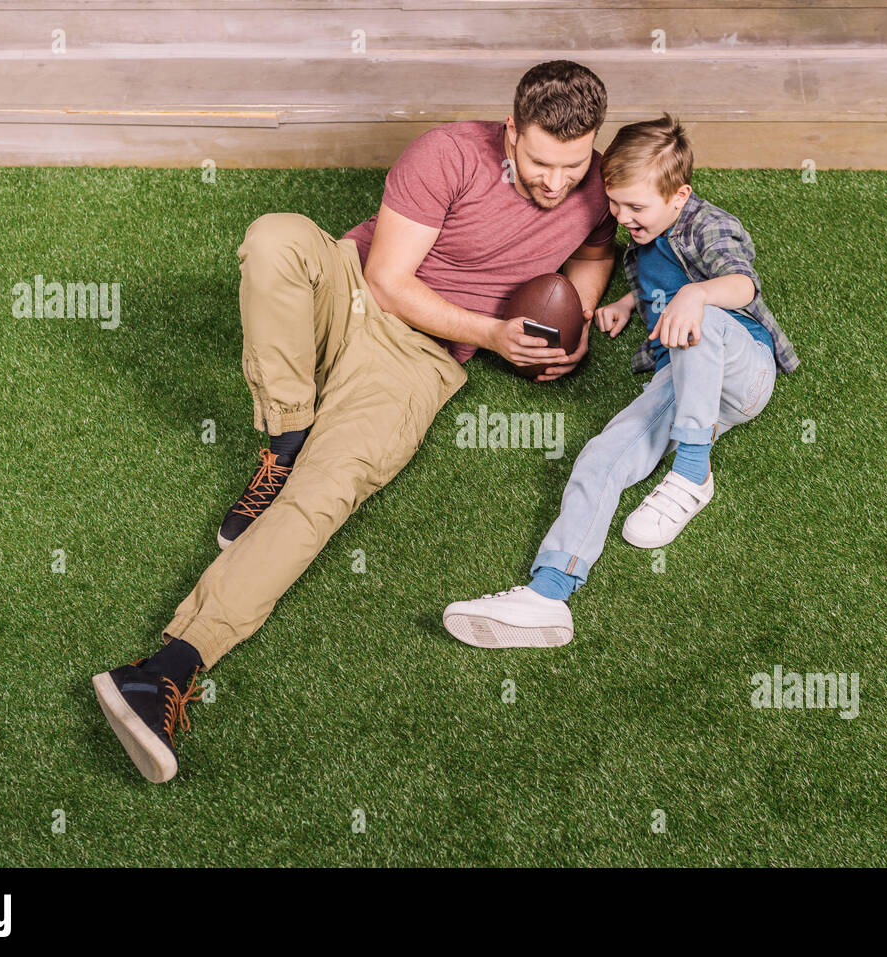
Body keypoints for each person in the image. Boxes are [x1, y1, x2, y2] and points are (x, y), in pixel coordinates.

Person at [92, 61, 619, 782]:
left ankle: (164, 669)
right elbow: (386, 283)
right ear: (510, 132)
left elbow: (595, 248)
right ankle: (286, 437)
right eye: (538, 161)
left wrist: (578, 313)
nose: (556, 182)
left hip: (418, 360)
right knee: (274, 237)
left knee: (325, 495)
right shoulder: (447, 155)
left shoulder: (596, 186)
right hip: (357, 291)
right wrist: (494, 334)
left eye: (572, 163)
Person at [442, 114, 800, 649]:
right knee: (600, 456)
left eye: (636, 207)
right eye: (614, 204)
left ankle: (692, 470)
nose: (621, 217)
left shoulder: (708, 224)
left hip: (741, 369)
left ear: (680, 196)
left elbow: (742, 285)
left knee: (699, 324)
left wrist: (694, 296)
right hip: (681, 381)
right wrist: (628, 303)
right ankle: (549, 592)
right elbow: (664, 281)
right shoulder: (640, 237)